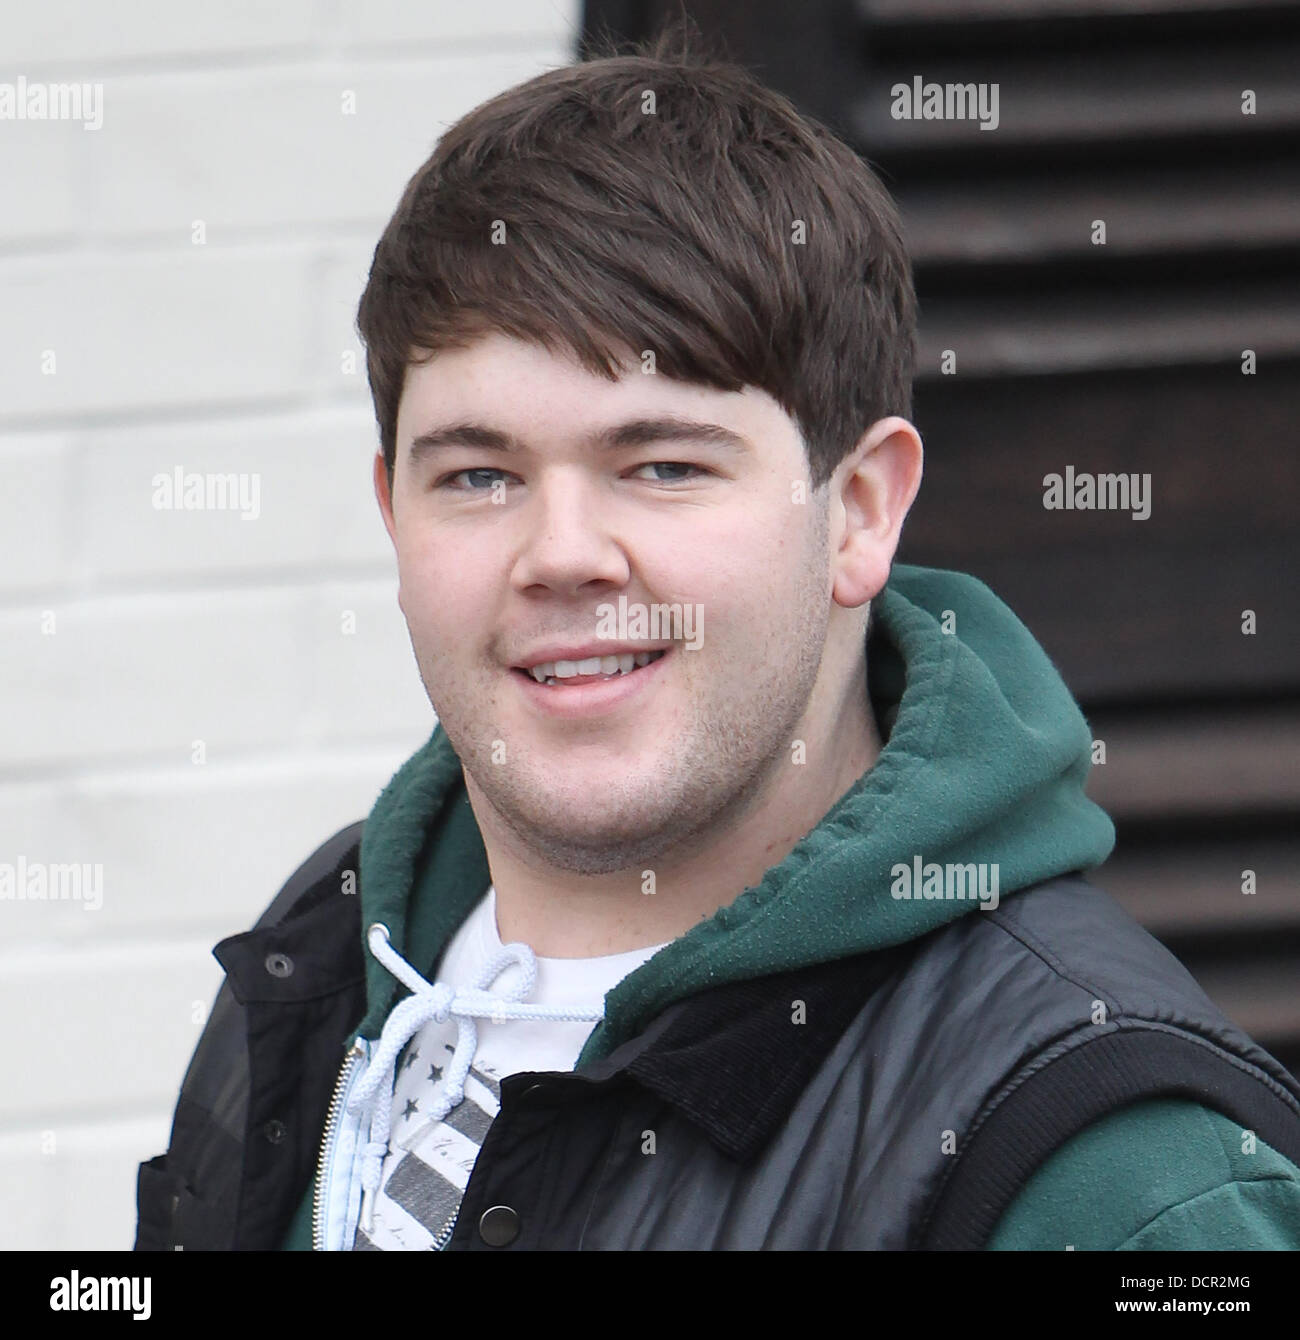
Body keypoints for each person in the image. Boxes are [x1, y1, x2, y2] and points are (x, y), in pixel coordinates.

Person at [135, 25, 1300, 1251]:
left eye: (664, 464)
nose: (562, 551)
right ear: (391, 514)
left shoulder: (1108, 1167)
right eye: (479, 476)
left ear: (858, 511)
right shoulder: (327, 945)